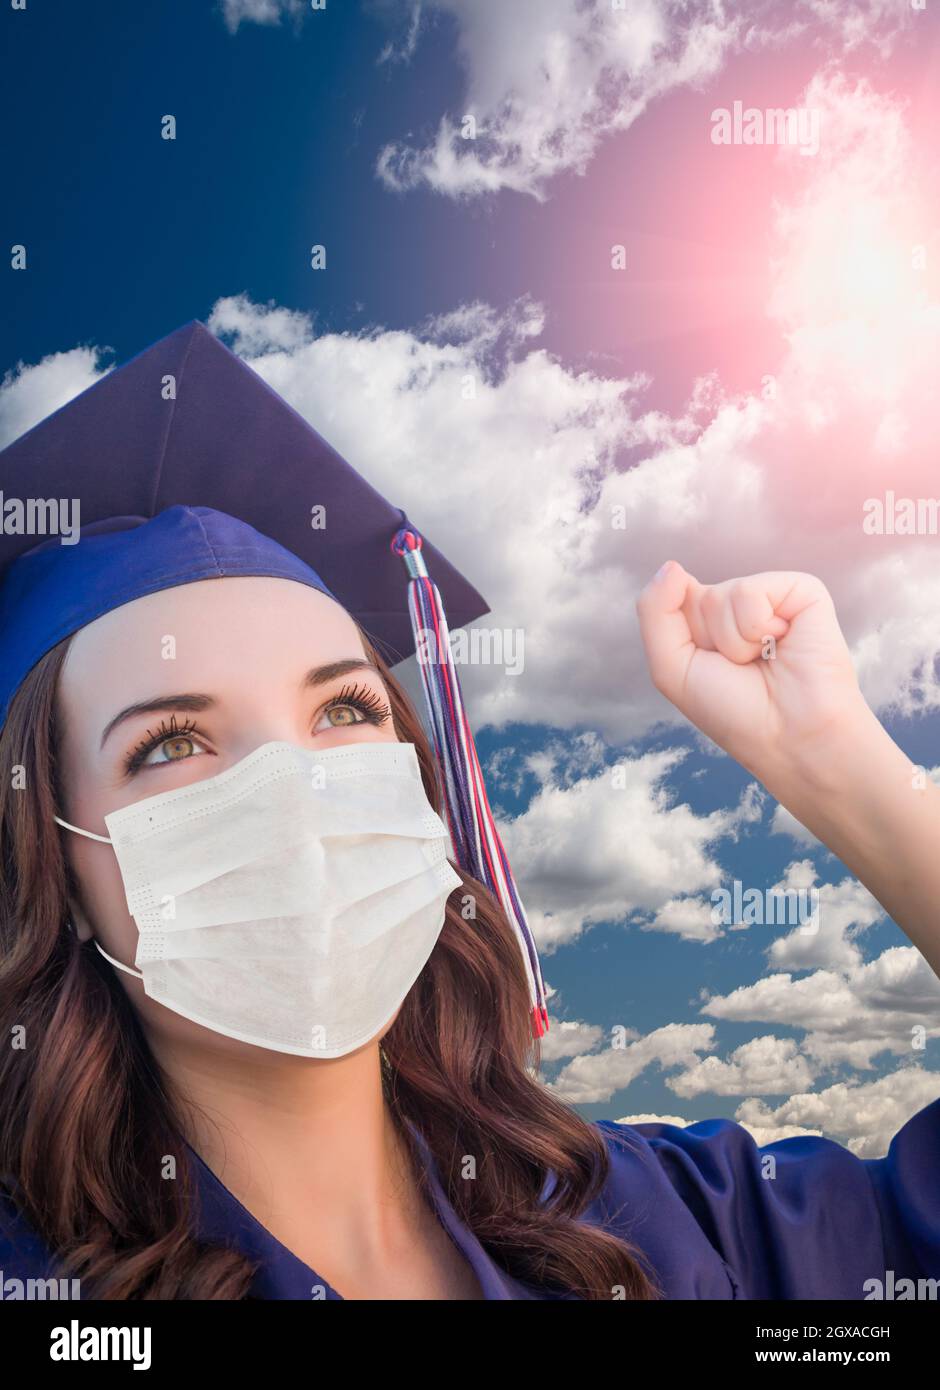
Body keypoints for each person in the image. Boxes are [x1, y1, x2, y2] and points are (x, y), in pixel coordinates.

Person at [0, 321, 936, 1301]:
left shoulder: (664, 1221)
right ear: (55, 865)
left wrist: (845, 767)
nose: (293, 787)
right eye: (172, 743)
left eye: (343, 711)